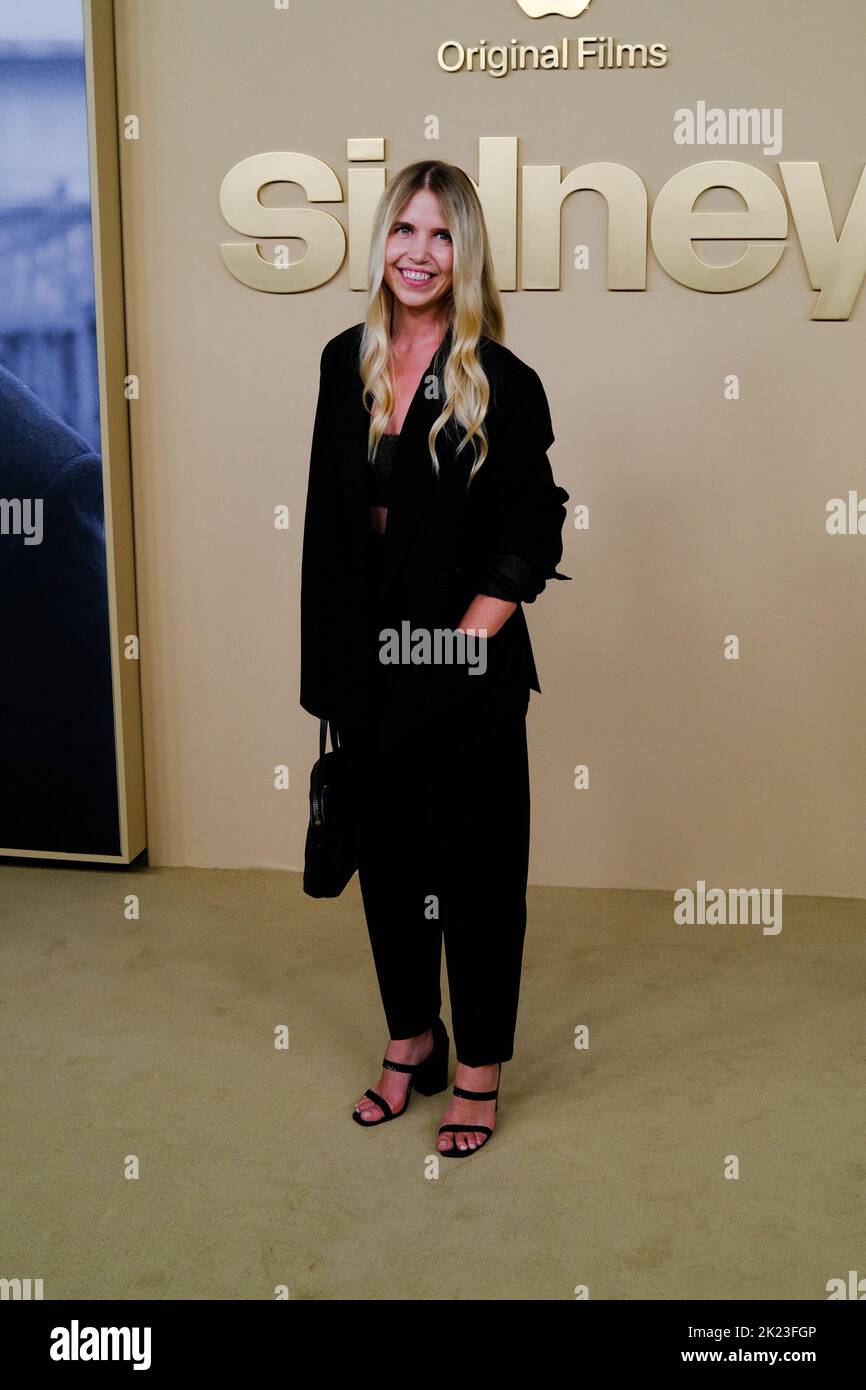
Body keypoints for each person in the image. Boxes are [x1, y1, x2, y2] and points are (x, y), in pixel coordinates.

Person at [300, 160, 570, 1157]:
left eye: (440, 235)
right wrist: (332, 670)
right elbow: (330, 533)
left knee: (478, 876)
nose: (418, 254)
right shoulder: (343, 360)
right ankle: (410, 1036)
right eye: (403, 231)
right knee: (390, 869)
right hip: (367, 669)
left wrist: (457, 643)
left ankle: (477, 1071)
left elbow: (530, 531)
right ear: (380, 243)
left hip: (465, 672)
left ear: (466, 253)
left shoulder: (504, 382)